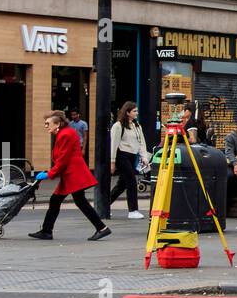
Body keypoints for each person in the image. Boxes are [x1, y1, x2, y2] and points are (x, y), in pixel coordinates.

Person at [28, 111, 110, 241]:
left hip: (73, 175)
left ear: (58, 124)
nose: (46, 126)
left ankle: (101, 228)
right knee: (61, 200)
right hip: (71, 174)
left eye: (48, 123)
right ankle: (47, 231)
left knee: (76, 202)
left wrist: (49, 174)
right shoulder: (65, 132)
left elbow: (63, 160)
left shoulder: (65, 135)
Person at [108, 101, 149, 219]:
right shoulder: (118, 126)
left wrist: (144, 157)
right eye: (134, 111)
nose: (137, 113)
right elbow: (114, 144)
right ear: (127, 112)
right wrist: (112, 162)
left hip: (132, 156)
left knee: (121, 184)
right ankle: (133, 210)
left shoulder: (137, 126)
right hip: (121, 155)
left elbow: (142, 142)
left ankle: (105, 205)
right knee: (131, 181)